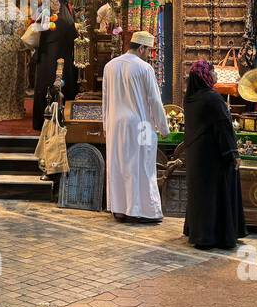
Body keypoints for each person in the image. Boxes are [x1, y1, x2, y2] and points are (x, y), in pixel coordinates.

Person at [102, 31, 167, 224]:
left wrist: (106, 125)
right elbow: (154, 100)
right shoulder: (144, 68)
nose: (149, 55)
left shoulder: (110, 66)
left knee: (118, 165)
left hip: (115, 123)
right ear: (141, 48)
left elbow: (105, 99)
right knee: (143, 166)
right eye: (148, 50)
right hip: (141, 125)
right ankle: (142, 210)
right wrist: (163, 128)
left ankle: (120, 209)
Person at [182, 59, 244, 248]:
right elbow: (224, 128)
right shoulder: (213, 98)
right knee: (215, 195)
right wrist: (233, 154)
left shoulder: (190, 98)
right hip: (213, 156)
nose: (216, 75)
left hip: (196, 155)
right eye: (213, 71)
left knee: (201, 194)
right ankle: (213, 236)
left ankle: (199, 233)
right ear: (205, 76)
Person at [31, 0, 79, 128]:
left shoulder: (46, 16)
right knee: (60, 86)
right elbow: (74, 40)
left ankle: (42, 121)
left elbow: (37, 32)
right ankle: (61, 120)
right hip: (62, 60)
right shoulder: (68, 20)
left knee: (45, 86)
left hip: (46, 59)